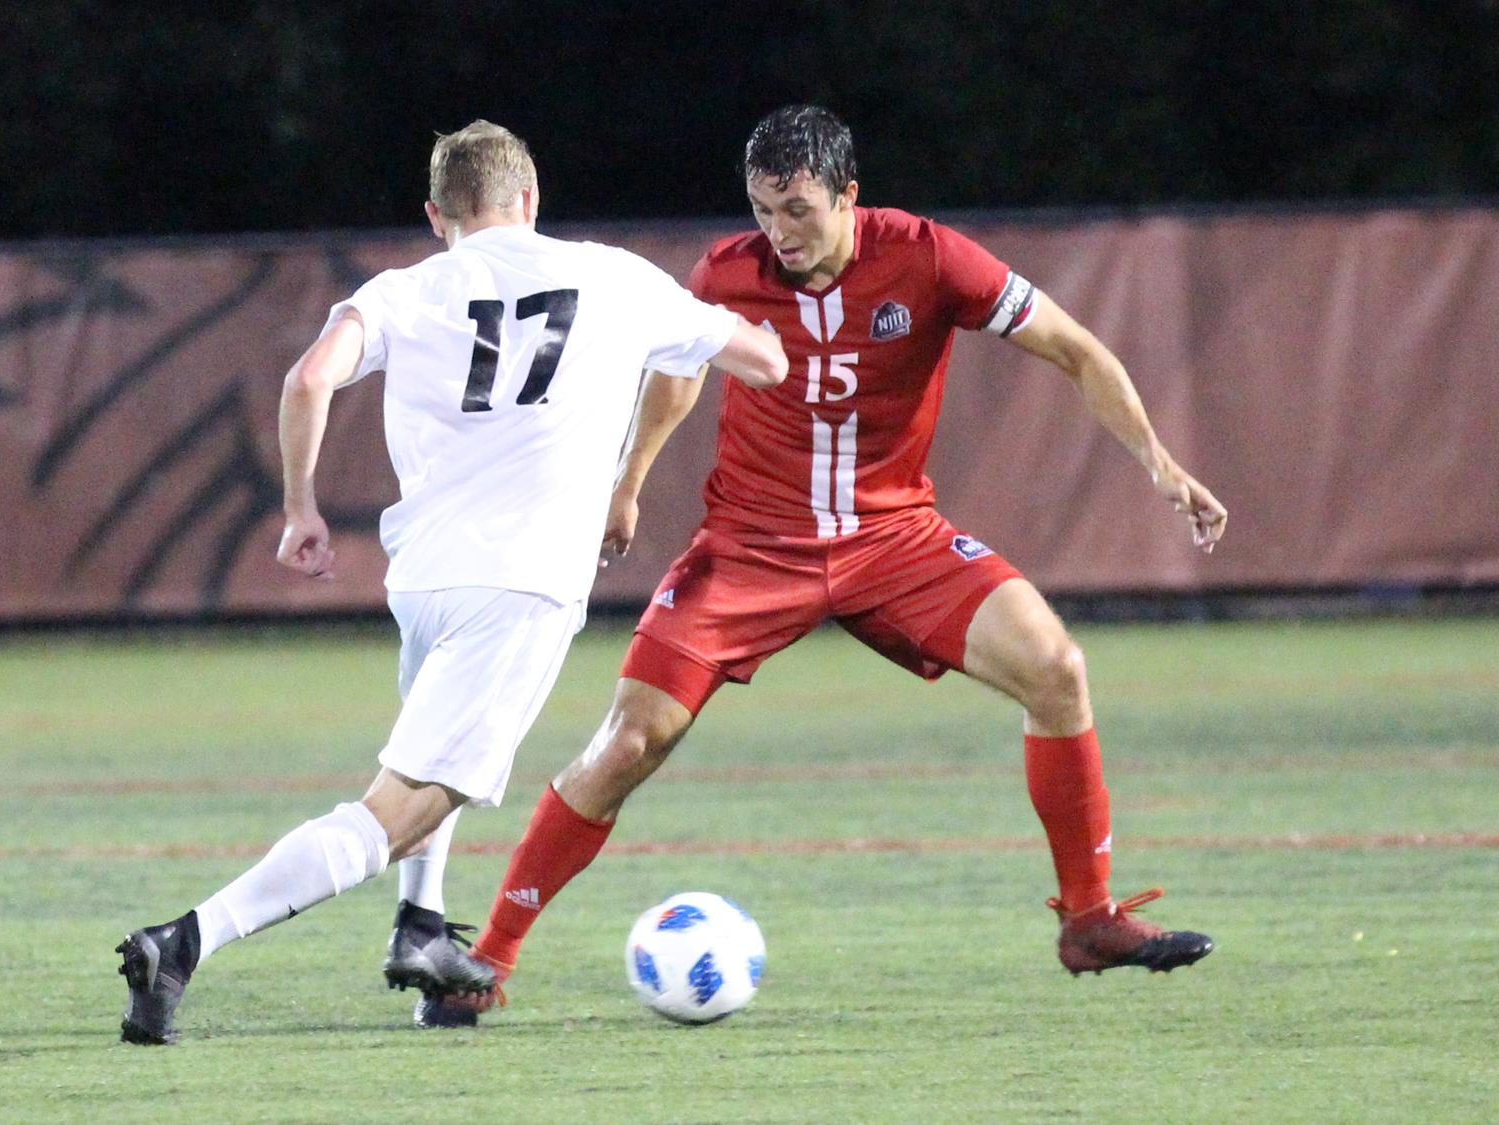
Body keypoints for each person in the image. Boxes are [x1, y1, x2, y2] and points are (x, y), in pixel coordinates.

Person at [440, 105, 1230, 1022]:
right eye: (762, 210)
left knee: (1057, 669)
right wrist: (630, 481)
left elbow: (1075, 349)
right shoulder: (727, 273)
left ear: (848, 195)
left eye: (798, 210)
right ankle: (487, 960)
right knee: (627, 742)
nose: (779, 233)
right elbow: (680, 371)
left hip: (895, 540)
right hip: (751, 548)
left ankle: (1089, 918)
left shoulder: (930, 258)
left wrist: (1160, 464)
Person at [113, 120, 786, 1045]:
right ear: (532, 198)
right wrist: (752, 337)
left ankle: (421, 926)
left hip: (426, 580)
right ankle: (185, 941)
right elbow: (760, 361)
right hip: (523, 583)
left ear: (437, 216)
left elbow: (308, 379)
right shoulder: (615, 278)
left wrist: (300, 507)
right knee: (395, 811)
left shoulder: (402, 290)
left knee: (436, 768)